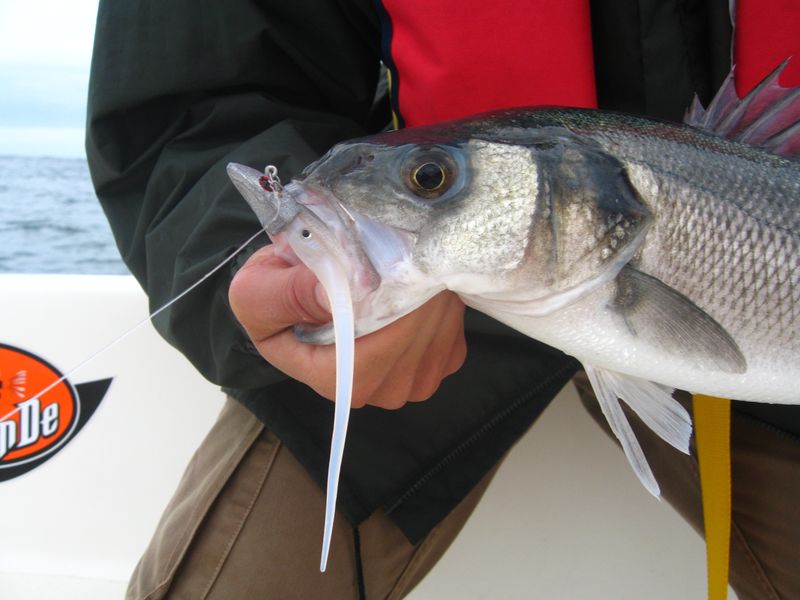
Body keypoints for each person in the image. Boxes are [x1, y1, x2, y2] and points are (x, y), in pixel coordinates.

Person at [86, 1, 799, 598]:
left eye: (430, 178)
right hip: (418, 304)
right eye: (435, 176)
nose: (429, 179)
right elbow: (195, 106)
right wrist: (256, 257)